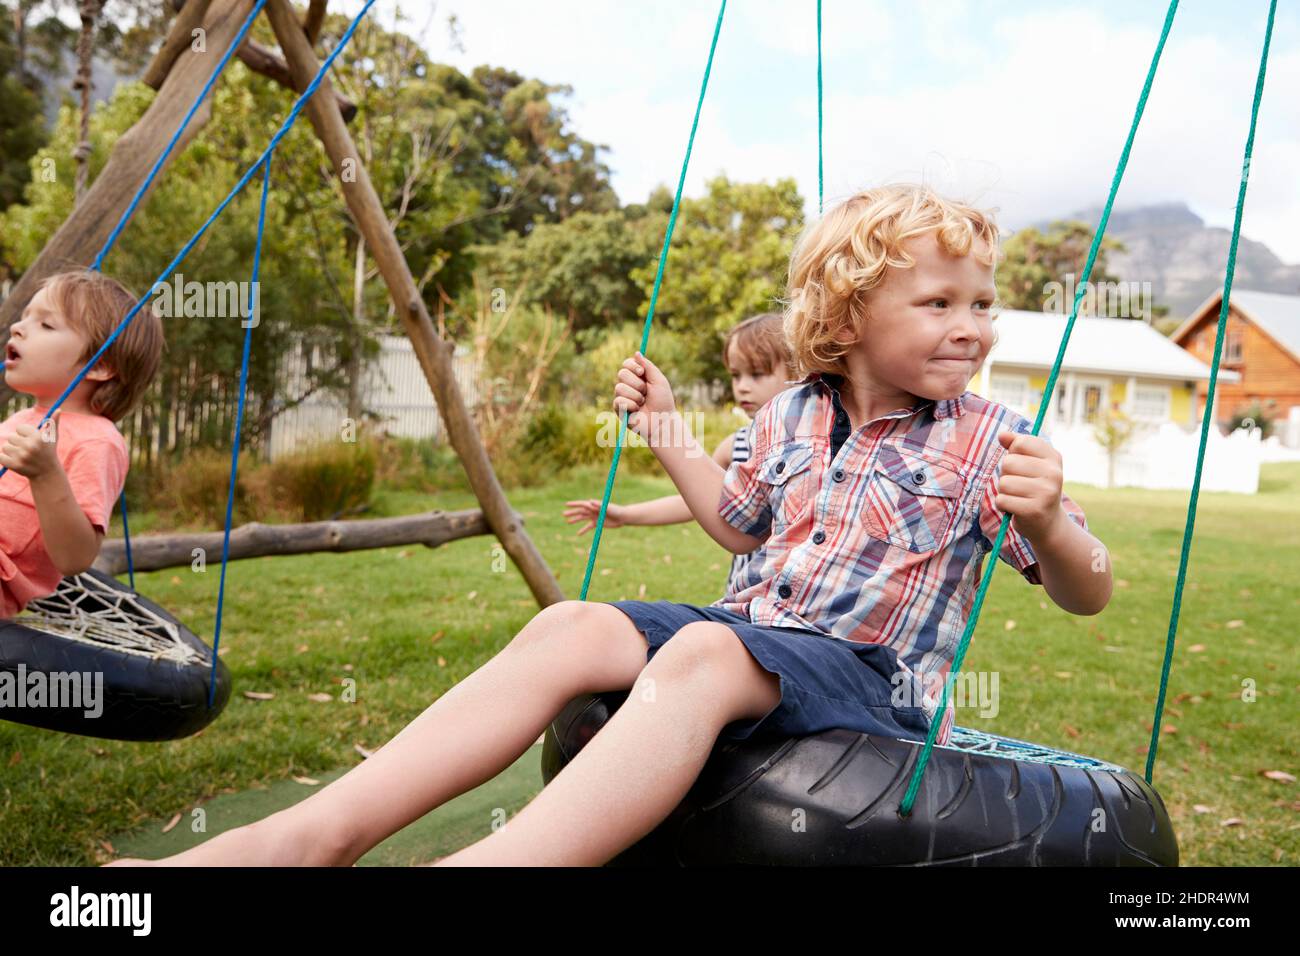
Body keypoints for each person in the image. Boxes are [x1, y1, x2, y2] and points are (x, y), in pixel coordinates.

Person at [108, 183, 1111, 868]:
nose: (971, 322)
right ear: (848, 318)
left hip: (868, 677)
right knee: (572, 624)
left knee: (711, 650)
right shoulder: (791, 414)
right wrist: (666, 425)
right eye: (937, 300)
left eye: (981, 300)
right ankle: (313, 833)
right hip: (761, 636)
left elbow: (1085, 587)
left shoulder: (993, 440)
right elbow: (734, 523)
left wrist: (1054, 523)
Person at [563, 312, 796, 591]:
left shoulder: (820, 444)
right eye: (735, 375)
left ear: (797, 372)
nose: (742, 386)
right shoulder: (734, 446)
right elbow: (698, 500)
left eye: (757, 374)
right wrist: (626, 515)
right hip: (744, 595)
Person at [0, 270, 163, 617]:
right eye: (24, 316)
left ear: (100, 364)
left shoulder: (97, 441)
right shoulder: (22, 420)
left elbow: (75, 558)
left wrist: (45, 474)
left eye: (46, 325)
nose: (18, 327)